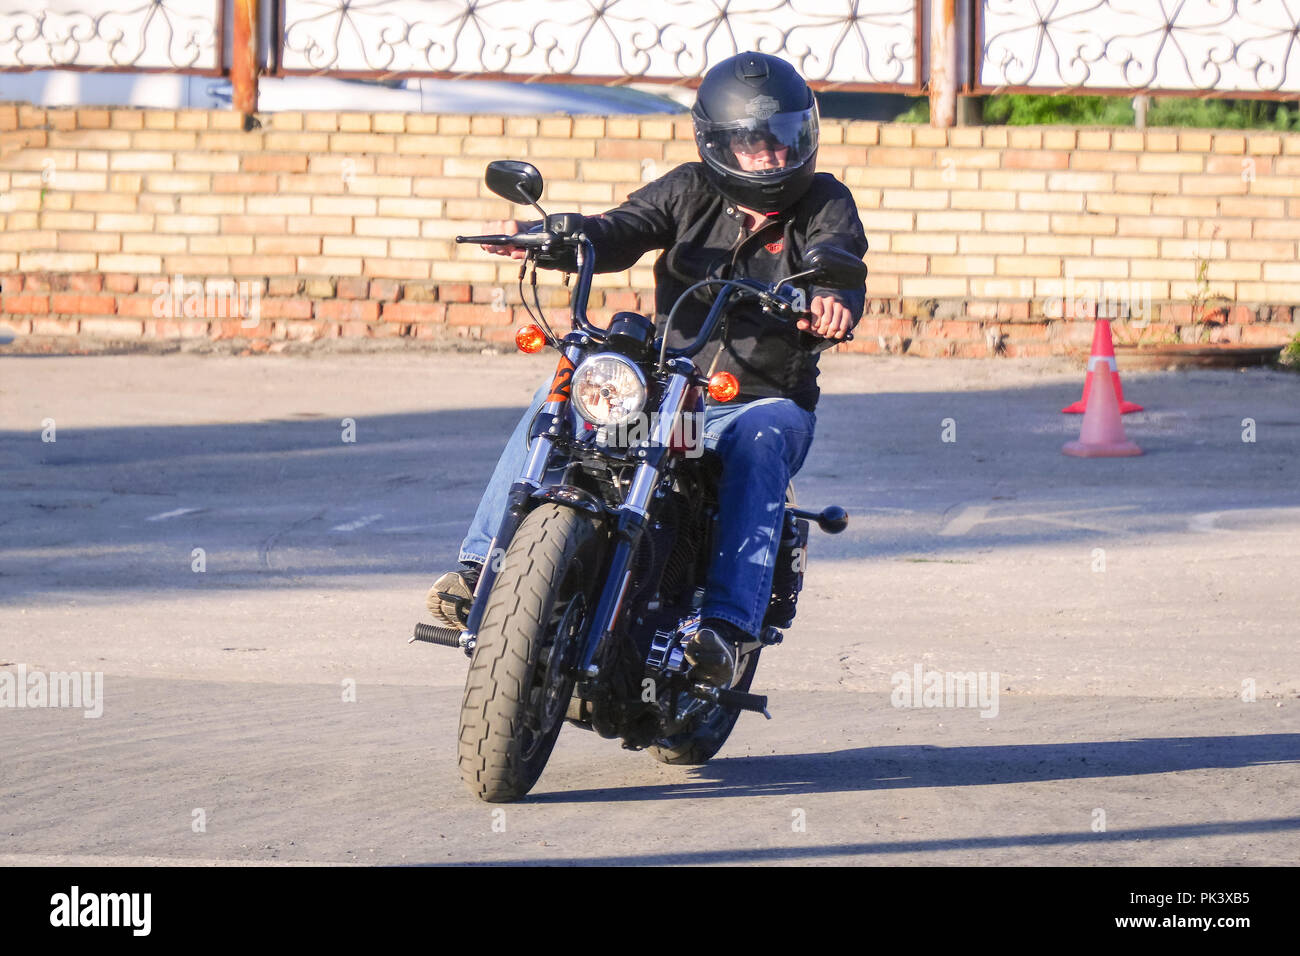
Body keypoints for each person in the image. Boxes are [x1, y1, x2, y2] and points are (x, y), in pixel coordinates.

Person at [429, 51, 868, 687]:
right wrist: (558, 234)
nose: (772, 156)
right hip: (671, 394)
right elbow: (626, 226)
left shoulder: (825, 200)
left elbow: (838, 256)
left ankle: (724, 625)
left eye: (782, 140)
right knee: (562, 392)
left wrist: (829, 296)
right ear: (719, 143)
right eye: (753, 144)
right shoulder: (690, 187)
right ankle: (479, 571)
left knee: (759, 443)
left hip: (762, 400)